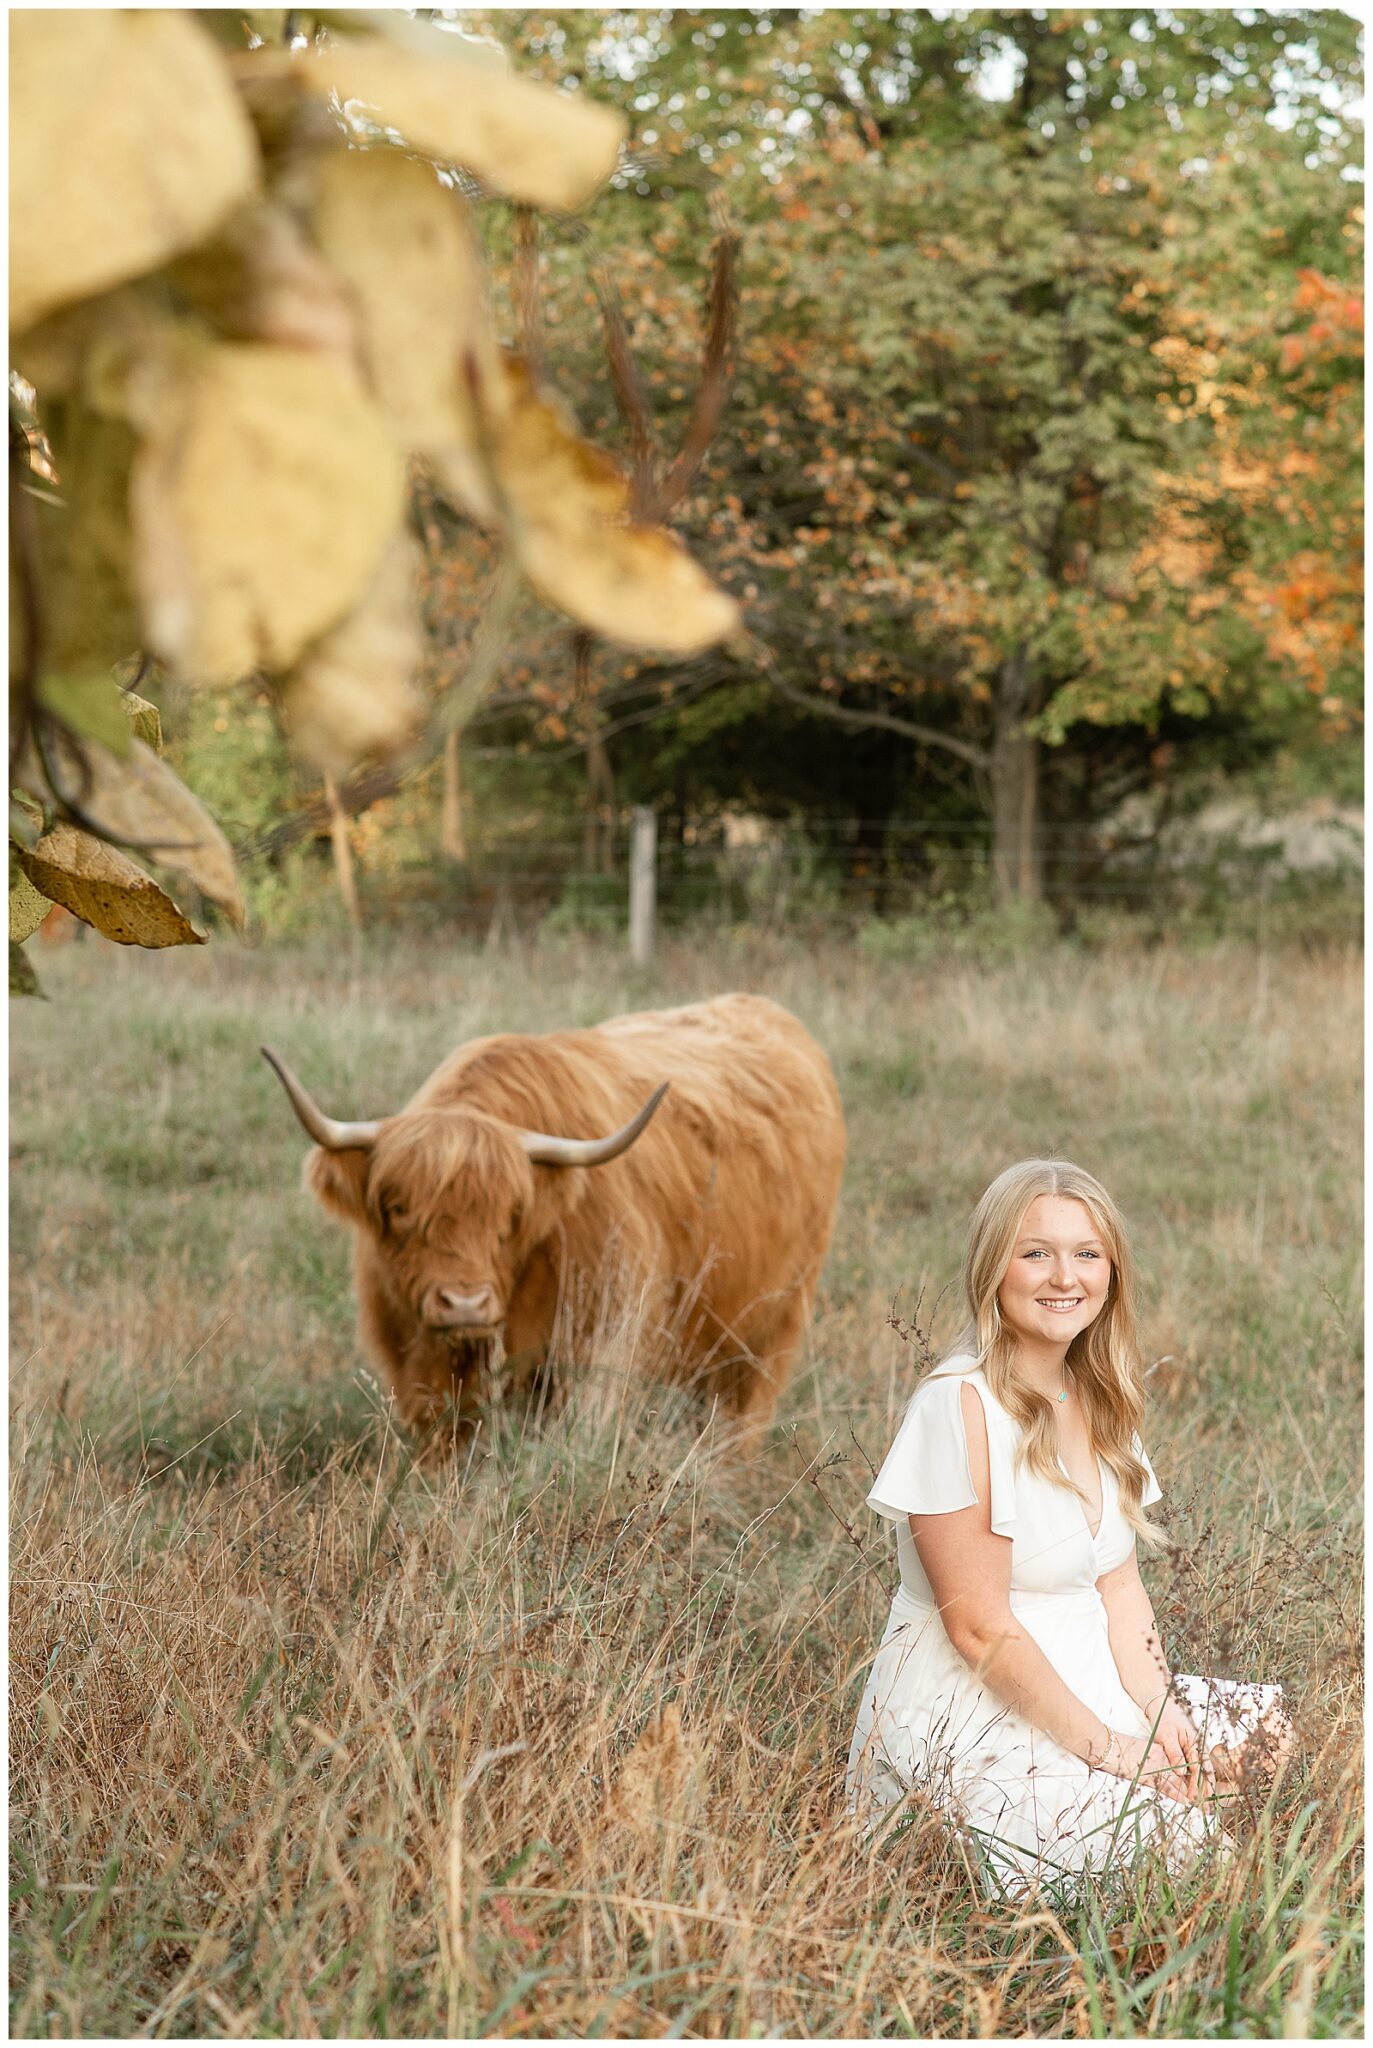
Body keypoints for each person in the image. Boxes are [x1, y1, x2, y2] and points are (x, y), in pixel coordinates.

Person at [846, 1158, 1292, 1902]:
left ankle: (1162, 1804)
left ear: (1110, 1273)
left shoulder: (1093, 1394)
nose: (1064, 1277)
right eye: (1035, 1253)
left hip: (1092, 1677)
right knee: (1181, 1852)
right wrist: (1111, 1751)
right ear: (993, 1267)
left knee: (1266, 1735)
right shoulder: (958, 1405)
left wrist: (1158, 1715)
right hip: (973, 1708)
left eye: (1086, 1253)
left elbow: (1118, 1581)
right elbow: (980, 1632)